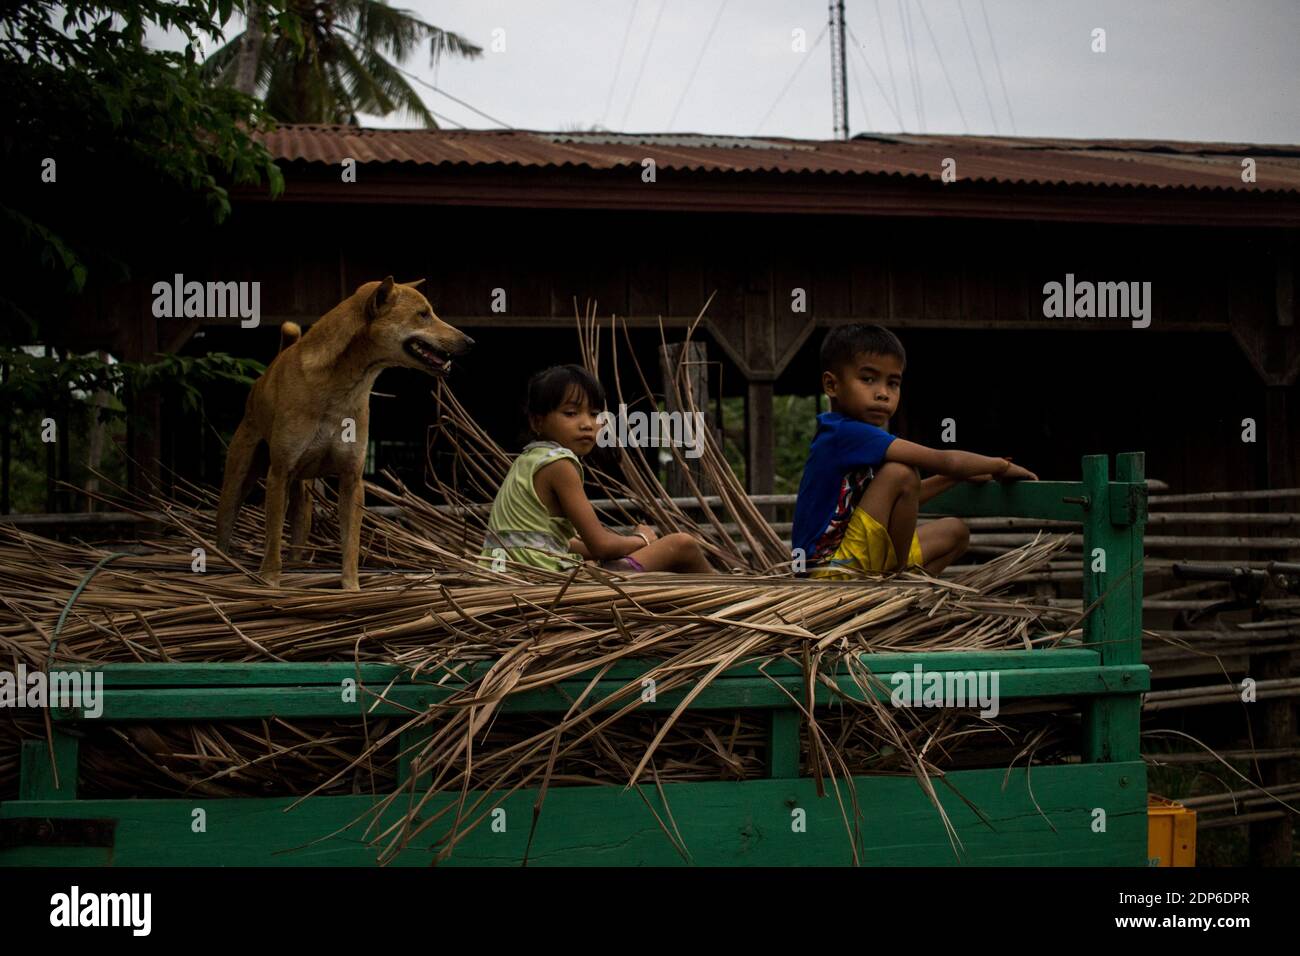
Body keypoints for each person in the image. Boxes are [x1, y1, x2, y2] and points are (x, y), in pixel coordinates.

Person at [791, 324, 1037, 578]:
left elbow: (906, 498)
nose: (883, 394)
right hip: (828, 572)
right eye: (868, 379)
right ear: (832, 385)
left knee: (955, 532)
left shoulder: (860, 439)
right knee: (902, 472)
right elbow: (945, 460)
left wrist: (954, 478)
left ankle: (900, 586)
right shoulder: (843, 433)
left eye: (893, 383)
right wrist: (1001, 466)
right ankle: (897, 581)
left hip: (857, 559)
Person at [481, 364, 714, 575]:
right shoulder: (559, 464)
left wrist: (629, 544)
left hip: (510, 570)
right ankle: (730, 611)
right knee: (683, 544)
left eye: (594, 414)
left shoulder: (528, 460)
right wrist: (641, 539)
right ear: (537, 422)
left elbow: (565, 543)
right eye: (571, 413)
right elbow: (600, 545)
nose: (587, 423)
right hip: (544, 576)